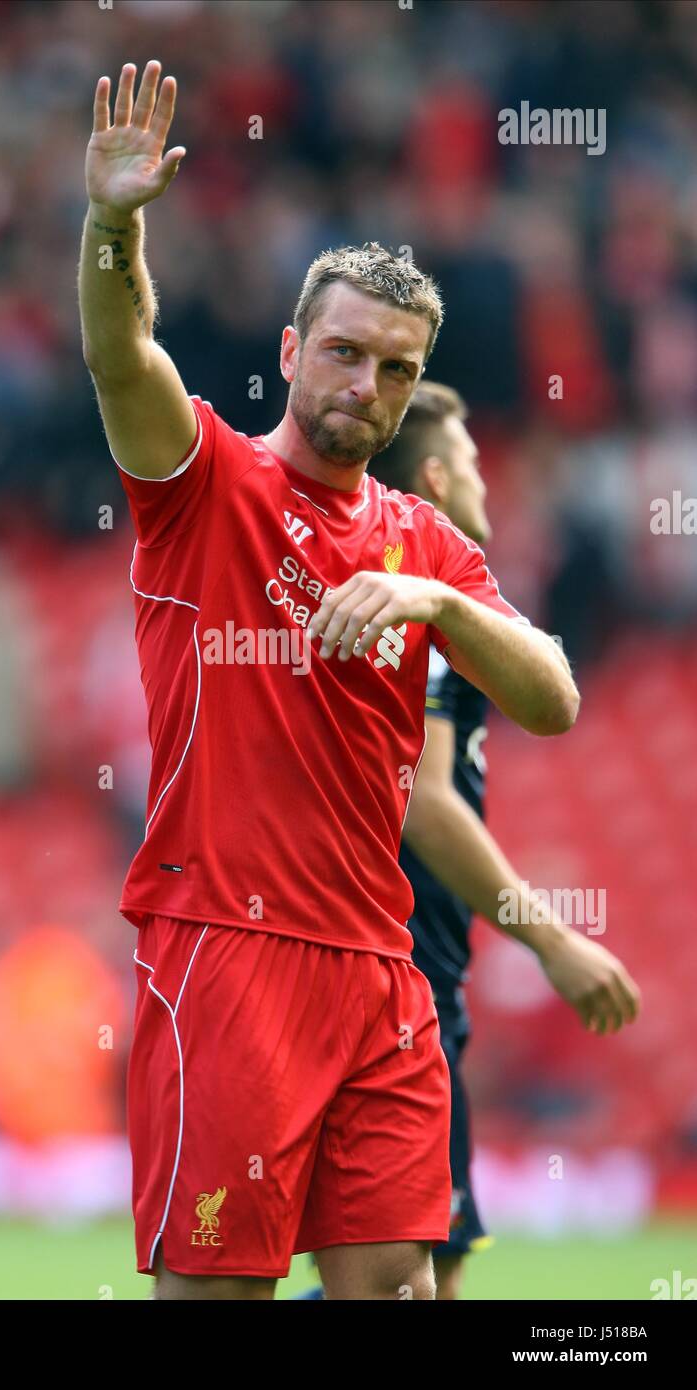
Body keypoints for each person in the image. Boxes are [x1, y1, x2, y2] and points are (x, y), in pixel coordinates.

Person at [78, 61, 580, 1301]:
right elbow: (121, 357)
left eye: (396, 370)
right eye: (346, 354)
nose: (367, 387)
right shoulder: (206, 487)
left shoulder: (428, 542)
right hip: (229, 954)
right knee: (221, 1295)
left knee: (401, 1291)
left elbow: (554, 697)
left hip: (380, 967)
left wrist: (440, 602)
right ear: (295, 350)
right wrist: (112, 225)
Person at [297, 383, 641, 1301]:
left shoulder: (423, 612)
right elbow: (425, 804)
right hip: (399, 977)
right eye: (477, 463)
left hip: (408, 968)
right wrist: (553, 938)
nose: (491, 480)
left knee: (419, 1278)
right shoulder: (431, 625)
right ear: (440, 479)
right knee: (413, 1281)